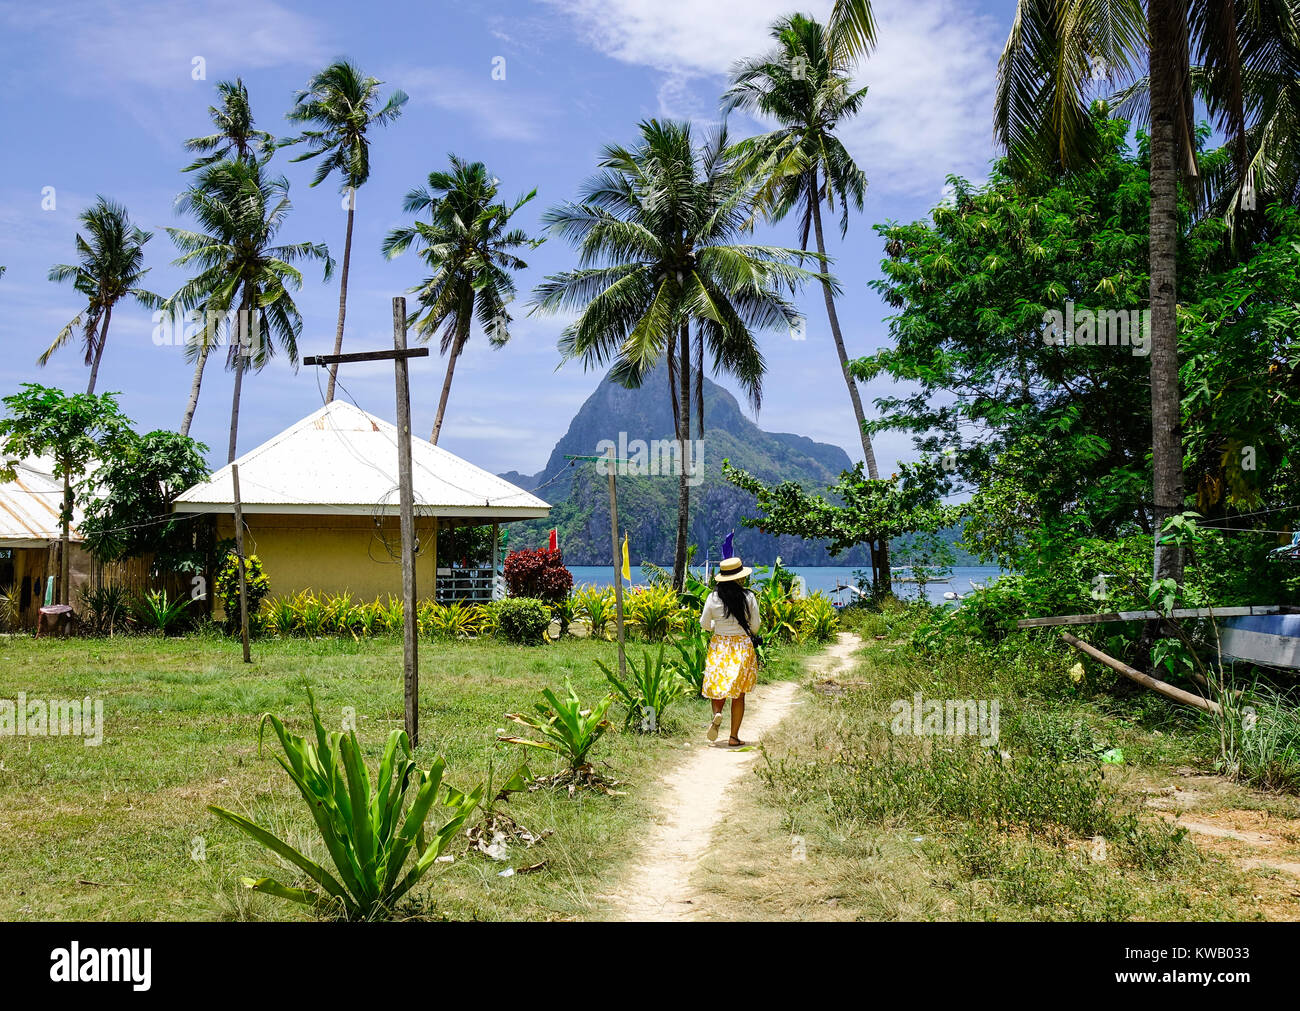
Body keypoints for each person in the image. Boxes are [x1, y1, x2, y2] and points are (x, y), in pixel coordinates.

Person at [699, 556, 762, 747]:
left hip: (720, 645)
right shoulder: (749, 597)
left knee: (718, 687)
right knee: (738, 693)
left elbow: (704, 624)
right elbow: (756, 626)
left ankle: (717, 714)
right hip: (741, 646)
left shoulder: (713, 597)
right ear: (740, 577)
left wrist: (716, 626)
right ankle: (734, 737)